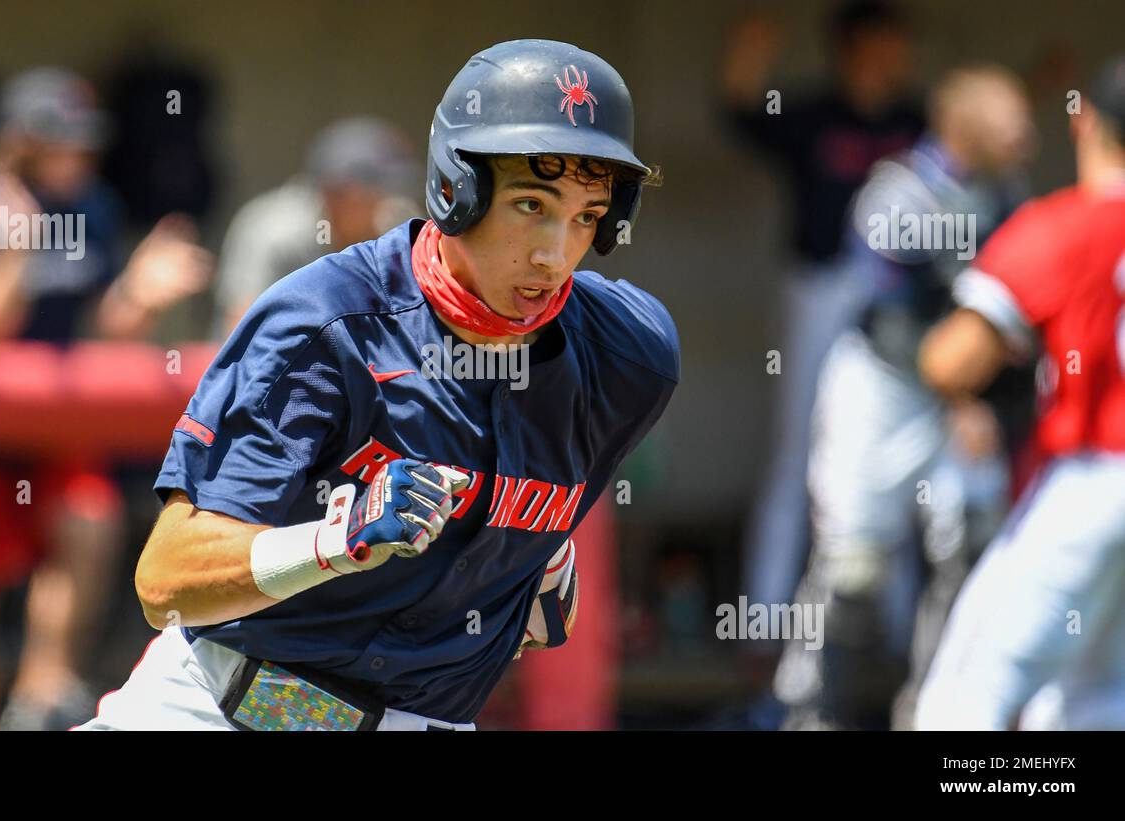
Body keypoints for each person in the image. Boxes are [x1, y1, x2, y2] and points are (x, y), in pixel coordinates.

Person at [78, 38, 678, 731]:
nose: (553, 252)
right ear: (459, 189)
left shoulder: (631, 354)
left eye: (586, 216)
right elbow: (167, 581)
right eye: (530, 204)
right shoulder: (323, 323)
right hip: (220, 711)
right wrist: (334, 542)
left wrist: (512, 561)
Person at [0, 67, 212, 730]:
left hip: (52, 416)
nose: (80, 154)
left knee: (89, 523)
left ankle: (40, 692)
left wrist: (137, 293)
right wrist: (15, 253)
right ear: (19, 144)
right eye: (62, 142)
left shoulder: (93, 206)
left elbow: (101, 327)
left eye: (84, 142)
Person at [771, 66, 1036, 729]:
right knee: (855, 570)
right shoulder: (899, 193)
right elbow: (896, 320)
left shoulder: (1006, 194)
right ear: (964, 123)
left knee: (971, 552)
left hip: (962, 401)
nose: (1023, 129)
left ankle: (934, 711)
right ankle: (813, 710)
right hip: (885, 390)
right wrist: (961, 396)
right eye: (1007, 116)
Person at [915, 55, 1125, 730]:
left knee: (963, 700)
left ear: (1085, 121)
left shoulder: (1063, 224)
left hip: (1093, 480)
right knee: (1095, 702)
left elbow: (950, 362)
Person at [722, 0, 924, 621]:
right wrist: (750, 46)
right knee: (797, 452)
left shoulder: (913, 120)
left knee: (898, 454)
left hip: (894, 298)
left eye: (896, 43)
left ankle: (898, 634)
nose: (891, 56)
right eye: (879, 42)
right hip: (817, 288)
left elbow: (971, 149)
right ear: (852, 47)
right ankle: (762, 622)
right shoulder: (812, 113)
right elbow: (739, 113)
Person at [212, 116, 418, 338]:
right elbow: (241, 329)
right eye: (377, 192)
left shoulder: (394, 223)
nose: (386, 202)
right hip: (273, 362)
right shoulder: (274, 230)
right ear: (341, 193)